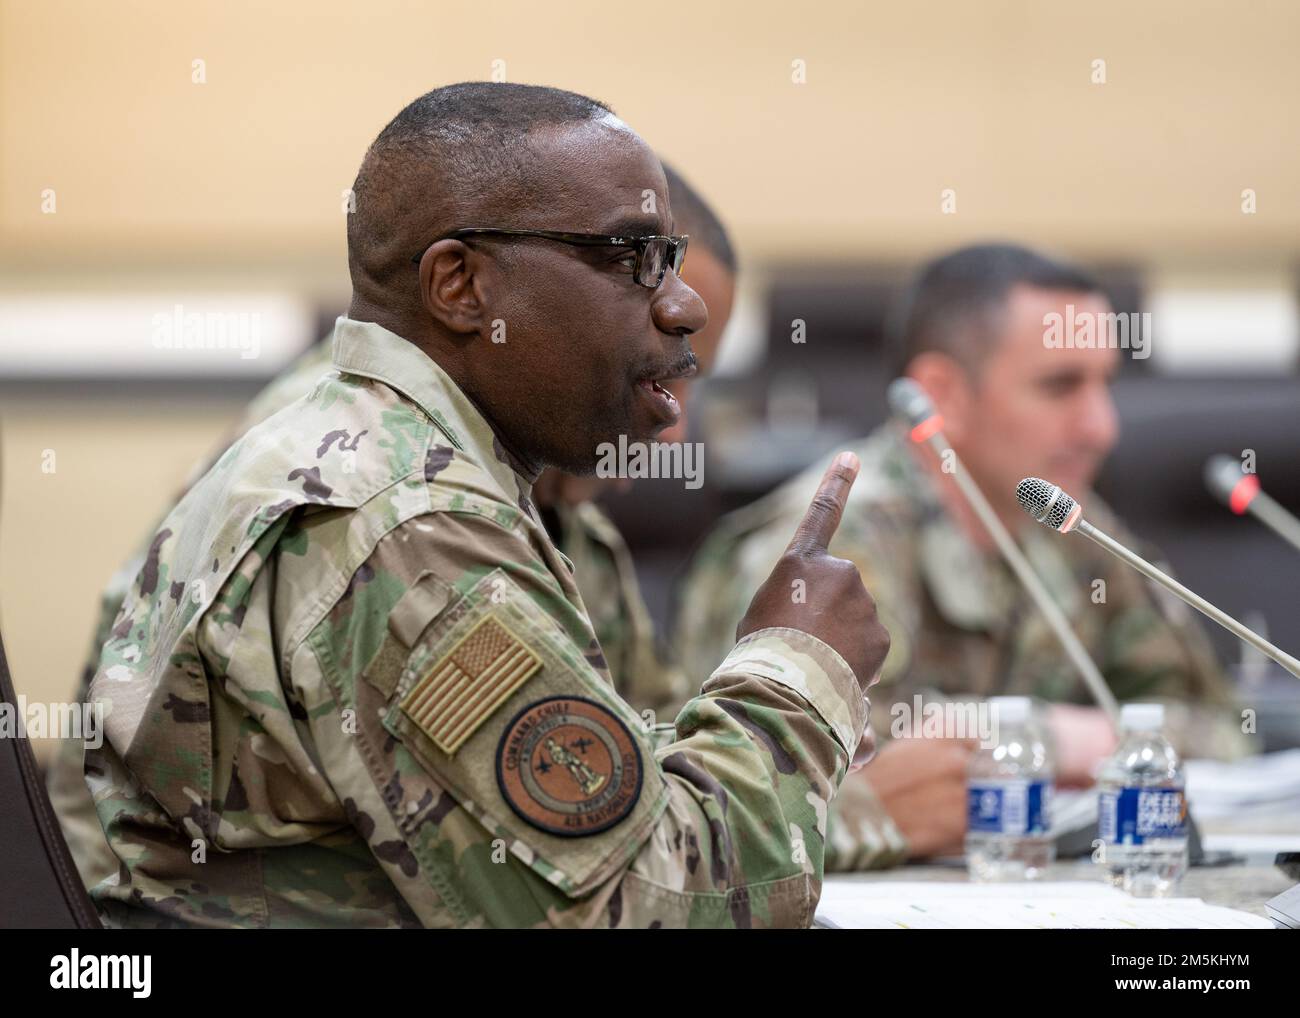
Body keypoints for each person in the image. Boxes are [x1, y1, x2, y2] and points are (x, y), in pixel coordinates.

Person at [82, 82, 888, 928]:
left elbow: (611, 800)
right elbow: (640, 908)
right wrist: (796, 670)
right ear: (461, 286)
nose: (681, 306)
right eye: (631, 257)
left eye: (673, 259)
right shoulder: (409, 527)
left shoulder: (392, 463)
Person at [45, 161, 736, 889]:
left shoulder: (545, 502)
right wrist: (791, 678)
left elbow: (646, 768)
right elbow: (620, 890)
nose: (672, 426)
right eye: (637, 276)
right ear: (466, 287)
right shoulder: (392, 507)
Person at [677, 243, 1251, 868]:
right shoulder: (837, 541)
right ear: (942, 392)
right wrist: (1064, 739)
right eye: (1061, 385)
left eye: (1105, 385)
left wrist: (1054, 739)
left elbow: (1222, 729)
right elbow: (786, 773)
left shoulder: (1065, 519)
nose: (1102, 427)